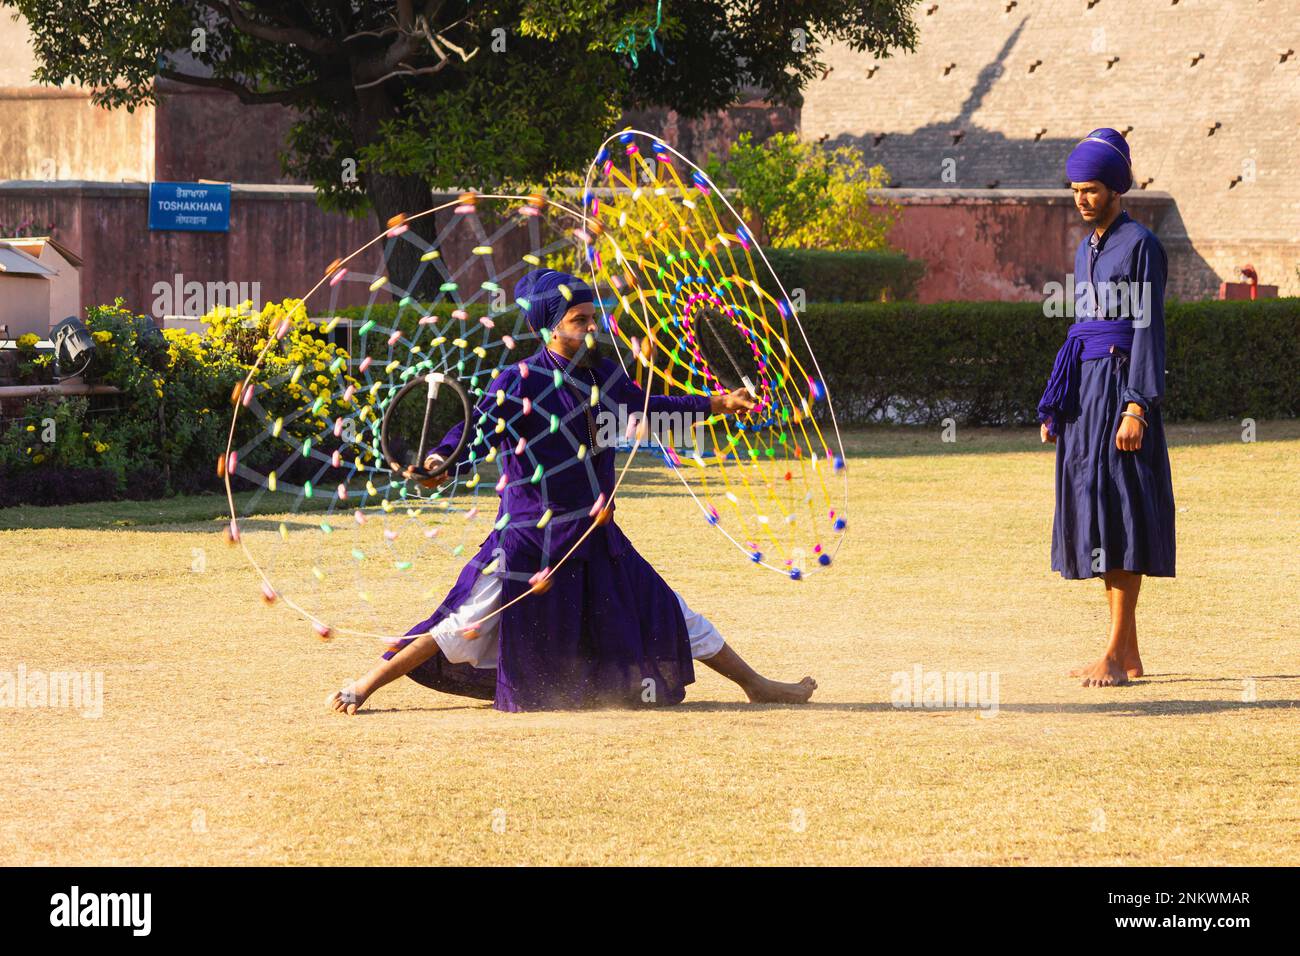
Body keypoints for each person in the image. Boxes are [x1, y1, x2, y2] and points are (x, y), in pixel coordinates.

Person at [330, 268, 817, 713]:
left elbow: (652, 406)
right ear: (550, 325)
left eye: (592, 318)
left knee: (669, 609)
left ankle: (755, 684)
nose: (591, 327)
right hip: (528, 538)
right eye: (579, 319)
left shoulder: (604, 375)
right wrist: (439, 460)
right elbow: (472, 434)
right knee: (462, 620)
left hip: (595, 531)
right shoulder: (517, 382)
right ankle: (365, 684)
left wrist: (719, 402)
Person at [1038, 128, 1176, 688]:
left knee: (1123, 515)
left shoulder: (1142, 244)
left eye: (1092, 189)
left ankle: (1115, 655)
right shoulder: (1085, 247)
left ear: (1116, 188)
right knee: (1097, 513)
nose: (1082, 200)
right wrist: (1059, 404)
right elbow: (1083, 330)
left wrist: (1137, 406)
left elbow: (1148, 329)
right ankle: (1130, 653)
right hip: (1086, 395)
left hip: (1122, 393)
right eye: (1075, 190)